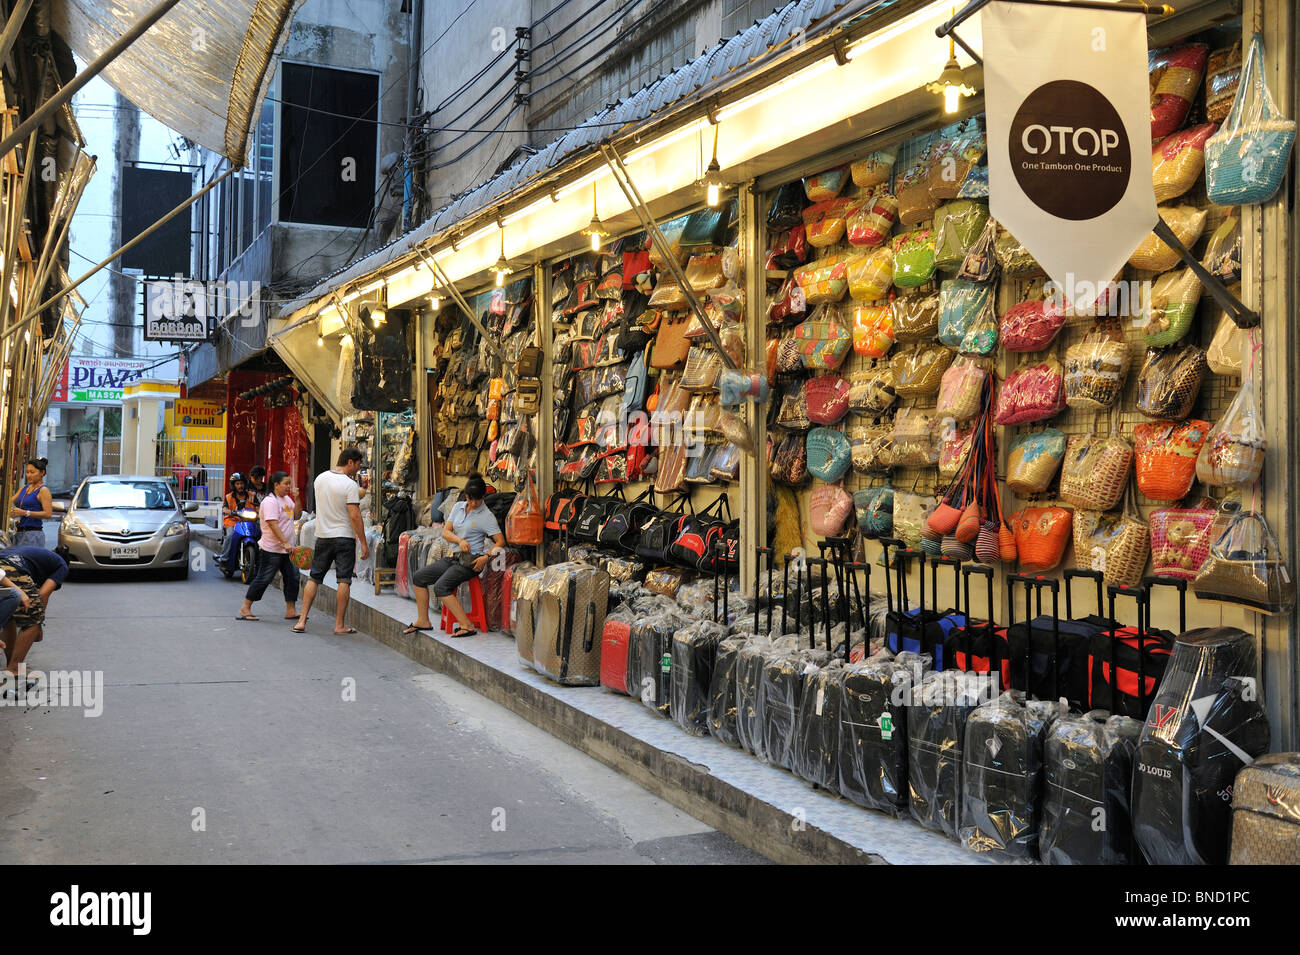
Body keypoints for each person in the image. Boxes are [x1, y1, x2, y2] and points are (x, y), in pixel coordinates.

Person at [403, 473, 505, 638]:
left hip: (471, 562)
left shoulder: (487, 516)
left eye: (476, 501)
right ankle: (423, 621)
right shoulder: (458, 507)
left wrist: (486, 557)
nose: (472, 504)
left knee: (441, 587)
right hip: (455, 558)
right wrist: (459, 540)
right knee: (419, 577)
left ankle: (467, 625)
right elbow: (445, 532)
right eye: (470, 499)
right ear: (466, 496)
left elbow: (500, 542)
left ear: (483, 497)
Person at [294, 448, 368, 635]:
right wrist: (364, 542)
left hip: (323, 536)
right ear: (350, 462)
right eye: (358, 465)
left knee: (314, 577)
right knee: (344, 580)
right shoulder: (349, 485)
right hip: (344, 537)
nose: (358, 470)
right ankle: (339, 625)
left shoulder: (320, 478)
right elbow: (355, 515)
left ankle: (301, 621)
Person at [236, 471, 299, 622]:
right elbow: (272, 524)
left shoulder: (287, 500)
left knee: (293, 577)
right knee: (264, 578)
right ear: (276, 485)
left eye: (289, 483)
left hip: (287, 550)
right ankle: (245, 607)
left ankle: (291, 610)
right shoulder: (270, 501)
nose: (288, 487)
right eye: (286, 484)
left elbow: (297, 516)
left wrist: (297, 498)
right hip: (272, 549)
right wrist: (284, 542)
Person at [0, 545, 68, 679]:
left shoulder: (38, 555)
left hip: (1, 569)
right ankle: (14, 668)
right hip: (14, 569)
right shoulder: (62, 566)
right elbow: (43, 595)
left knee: (10, 617)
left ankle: (11, 664)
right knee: (33, 619)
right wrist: (38, 625)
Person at [218, 472, 257, 573]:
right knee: (231, 535)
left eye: (242, 483)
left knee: (260, 534)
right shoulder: (228, 497)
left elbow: (259, 507)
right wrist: (231, 512)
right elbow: (224, 509)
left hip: (248, 521)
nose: (240, 486)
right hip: (232, 520)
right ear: (233, 485)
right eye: (237, 484)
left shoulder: (252, 496)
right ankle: (224, 559)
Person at [10, 458, 52, 548]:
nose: (29, 475)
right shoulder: (24, 489)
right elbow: (8, 503)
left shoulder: (43, 490)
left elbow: (48, 514)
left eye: (32, 472)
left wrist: (25, 513)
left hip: (33, 535)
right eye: (27, 472)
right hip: (18, 534)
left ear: (42, 473)